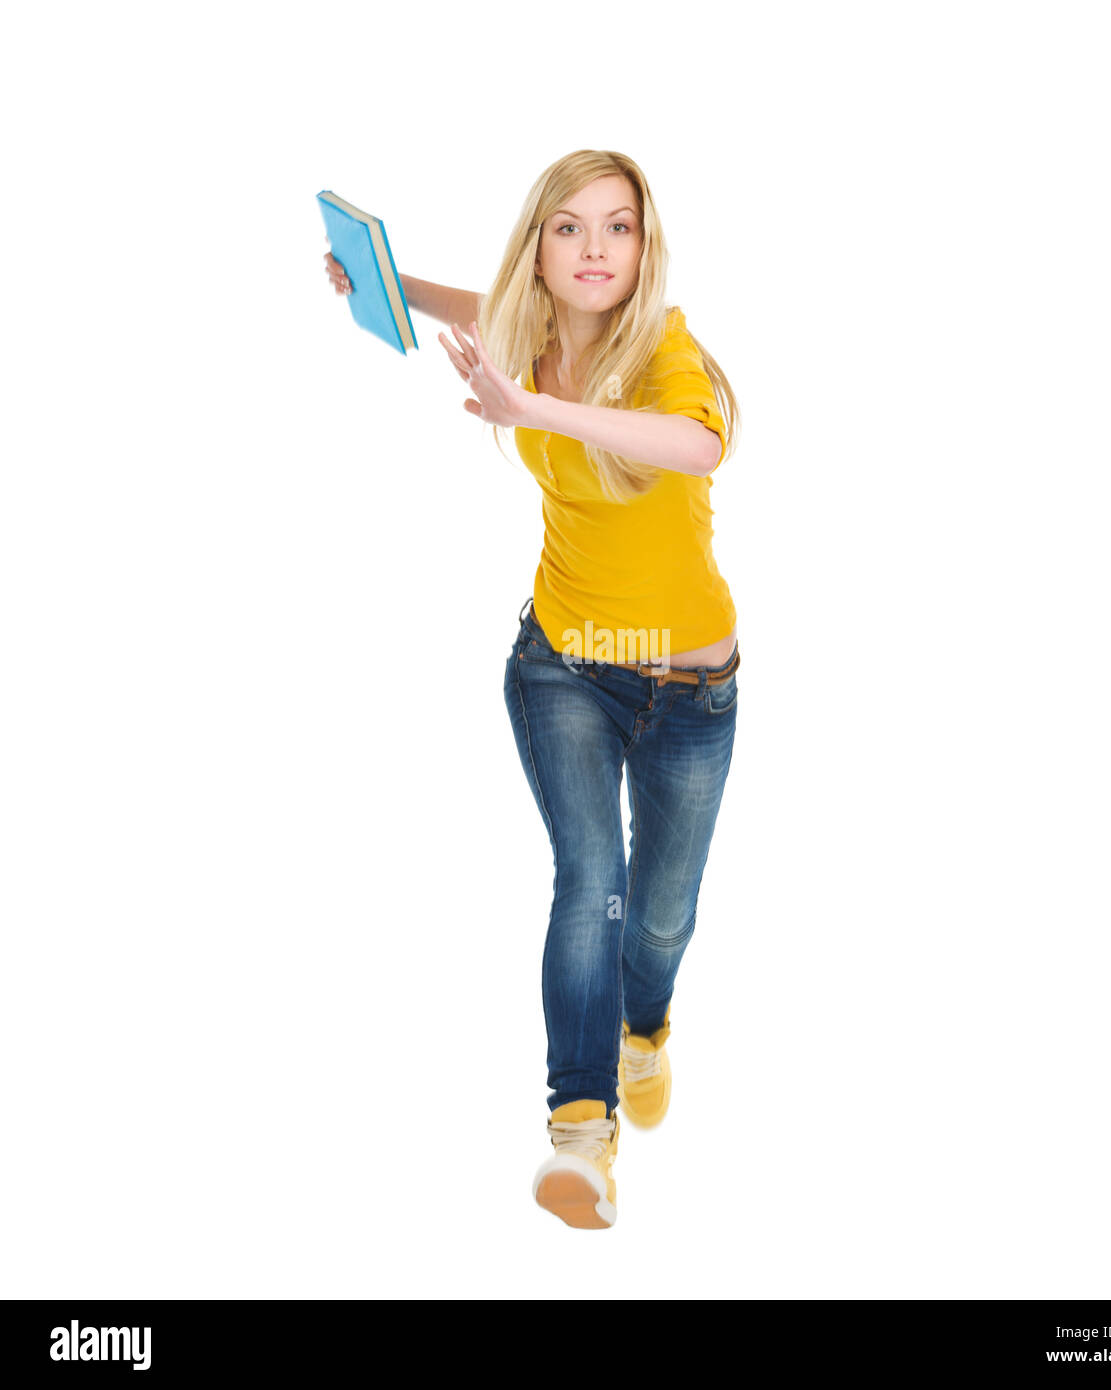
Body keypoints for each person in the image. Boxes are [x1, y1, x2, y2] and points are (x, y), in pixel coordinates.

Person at [323, 150, 741, 1229]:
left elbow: (695, 447)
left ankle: (645, 1025)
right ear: (539, 250)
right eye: (567, 229)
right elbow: (478, 306)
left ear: (644, 249)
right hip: (561, 666)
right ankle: (579, 1133)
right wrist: (385, 283)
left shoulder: (664, 350)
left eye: (617, 227)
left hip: (688, 689)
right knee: (590, 878)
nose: (593, 249)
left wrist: (540, 414)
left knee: (659, 917)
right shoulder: (531, 338)